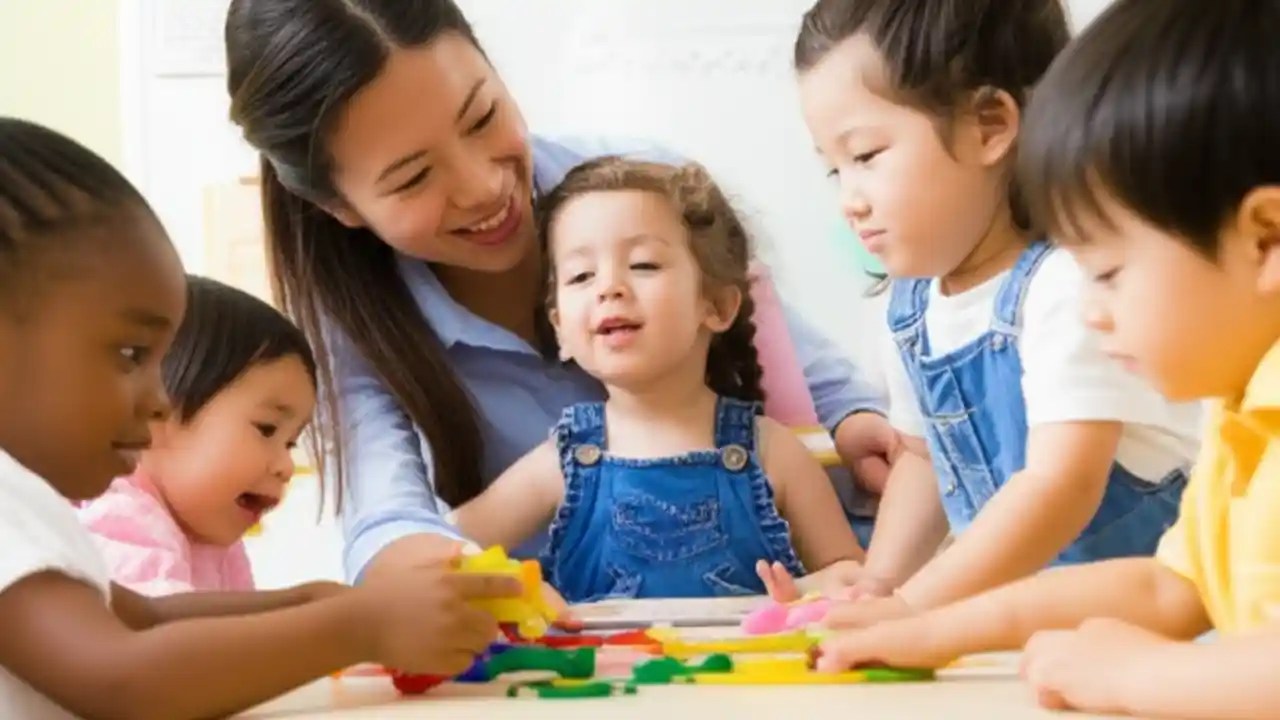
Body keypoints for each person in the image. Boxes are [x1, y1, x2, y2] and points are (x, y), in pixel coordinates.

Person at [222, 0, 897, 588]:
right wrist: (435, 577)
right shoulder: (355, 335)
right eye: (413, 177)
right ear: (338, 205)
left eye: (482, 115)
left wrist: (859, 429)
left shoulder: (641, 193)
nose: (483, 186)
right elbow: (391, 525)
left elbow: (825, 394)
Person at [815, 2, 1280, 717]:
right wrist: (929, 627)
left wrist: (1134, 677)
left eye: (1111, 273)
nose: (1093, 310)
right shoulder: (1241, 421)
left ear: (1266, 241)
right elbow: (1167, 588)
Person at [0, 118, 522, 719]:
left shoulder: (29, 513)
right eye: (130, 355)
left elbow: (147, 615)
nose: (160, 399)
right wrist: (359, 624)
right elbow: (121, 678)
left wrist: (307, 602)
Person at [775, 0, 1202, 618]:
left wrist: (913, 608)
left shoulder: (1066, 288)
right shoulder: (911, 306)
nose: (850, 199)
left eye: (865, 156)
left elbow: (1061, 487)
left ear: (989, 126)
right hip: (1029, 625)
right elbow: (922, 462)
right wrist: (882, 584)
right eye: (833, 171)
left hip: (1156, 621)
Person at [453, 158, 864, 602]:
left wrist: (802, 591)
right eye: (581, 275)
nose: (608, 287)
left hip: (744, 672)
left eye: (644, 265)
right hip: (602, 672)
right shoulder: (563, 460)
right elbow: (445, 548)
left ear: (718, 306)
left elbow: (852, 578)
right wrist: (517, 589)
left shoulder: (771, 451)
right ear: (559, 329)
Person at [77, 276, 316, 595]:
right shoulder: (120, 521)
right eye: (267, 429)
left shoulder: (216, 544)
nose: (286, 467)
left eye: (290, 443)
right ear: (153, 415)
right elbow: (168, 637)